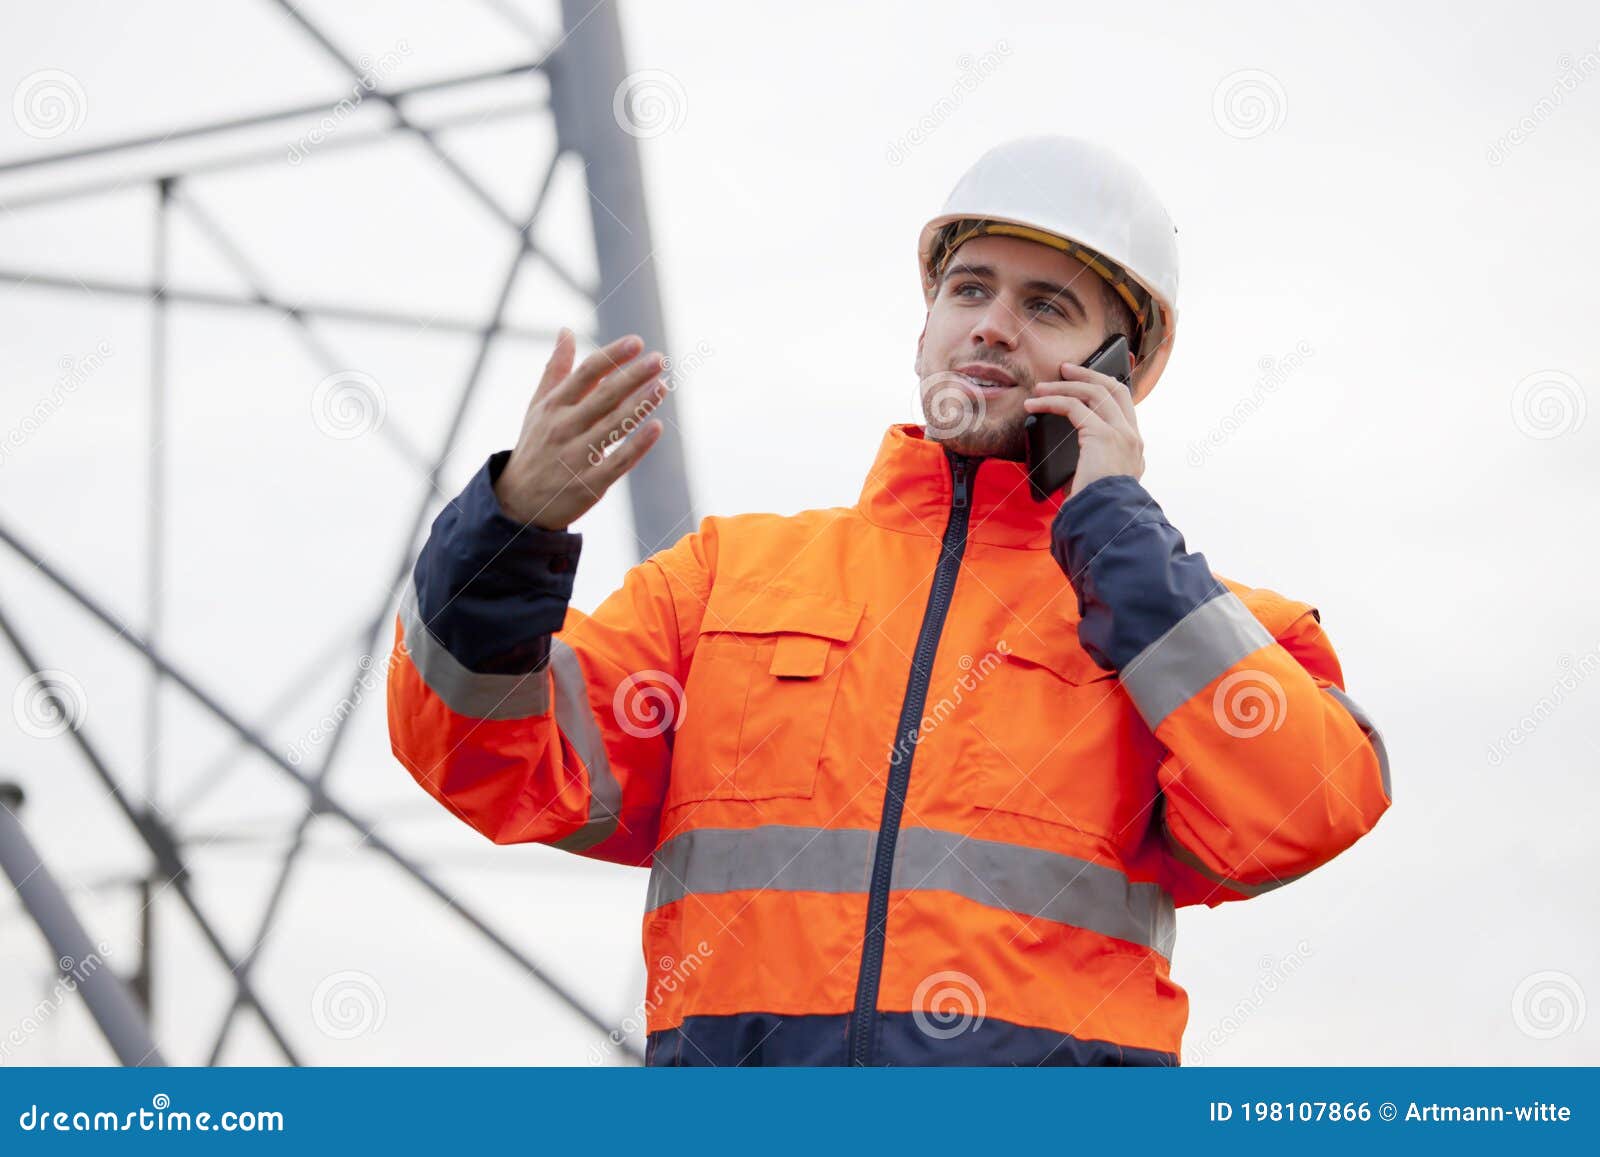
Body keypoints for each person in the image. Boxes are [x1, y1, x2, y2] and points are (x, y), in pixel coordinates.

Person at [387, 135, 1392, 1066]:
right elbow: (485, 758)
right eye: (968, 289)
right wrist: (510, 529)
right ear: (926, 320)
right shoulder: (725, 580)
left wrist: (1120, 535)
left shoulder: (1197, 623)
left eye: (1046, 307)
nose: (992, 326)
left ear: (1121, 370)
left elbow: (1301, 807)